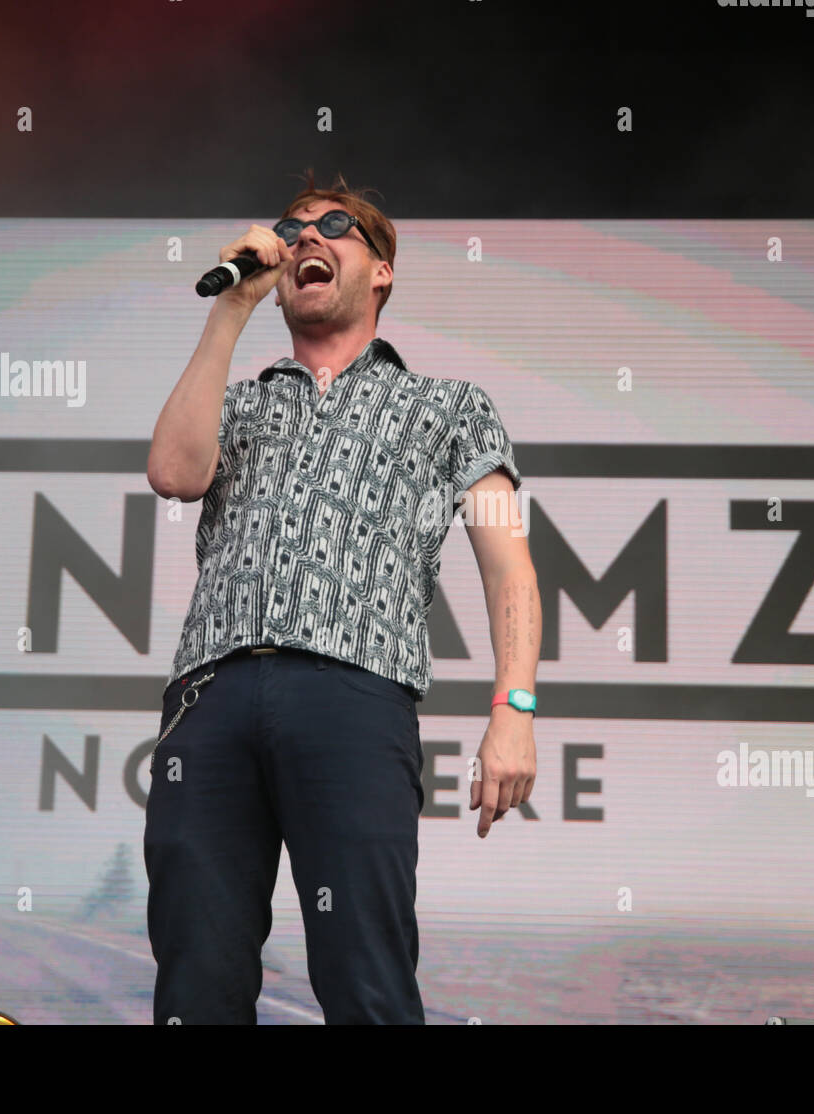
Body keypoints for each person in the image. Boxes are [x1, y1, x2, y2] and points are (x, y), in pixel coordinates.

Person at [143, 171, 541, 1024]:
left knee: (366, 973)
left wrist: (514, 707)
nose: (307, 239)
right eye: (293, 231)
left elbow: (510, 566)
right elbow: (174, 473)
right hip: (210, 698)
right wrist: (232, 307)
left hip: (355, 693)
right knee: (195, 975)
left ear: (383, 272)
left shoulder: (449, 407)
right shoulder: (237, 400)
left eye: (336, 227)